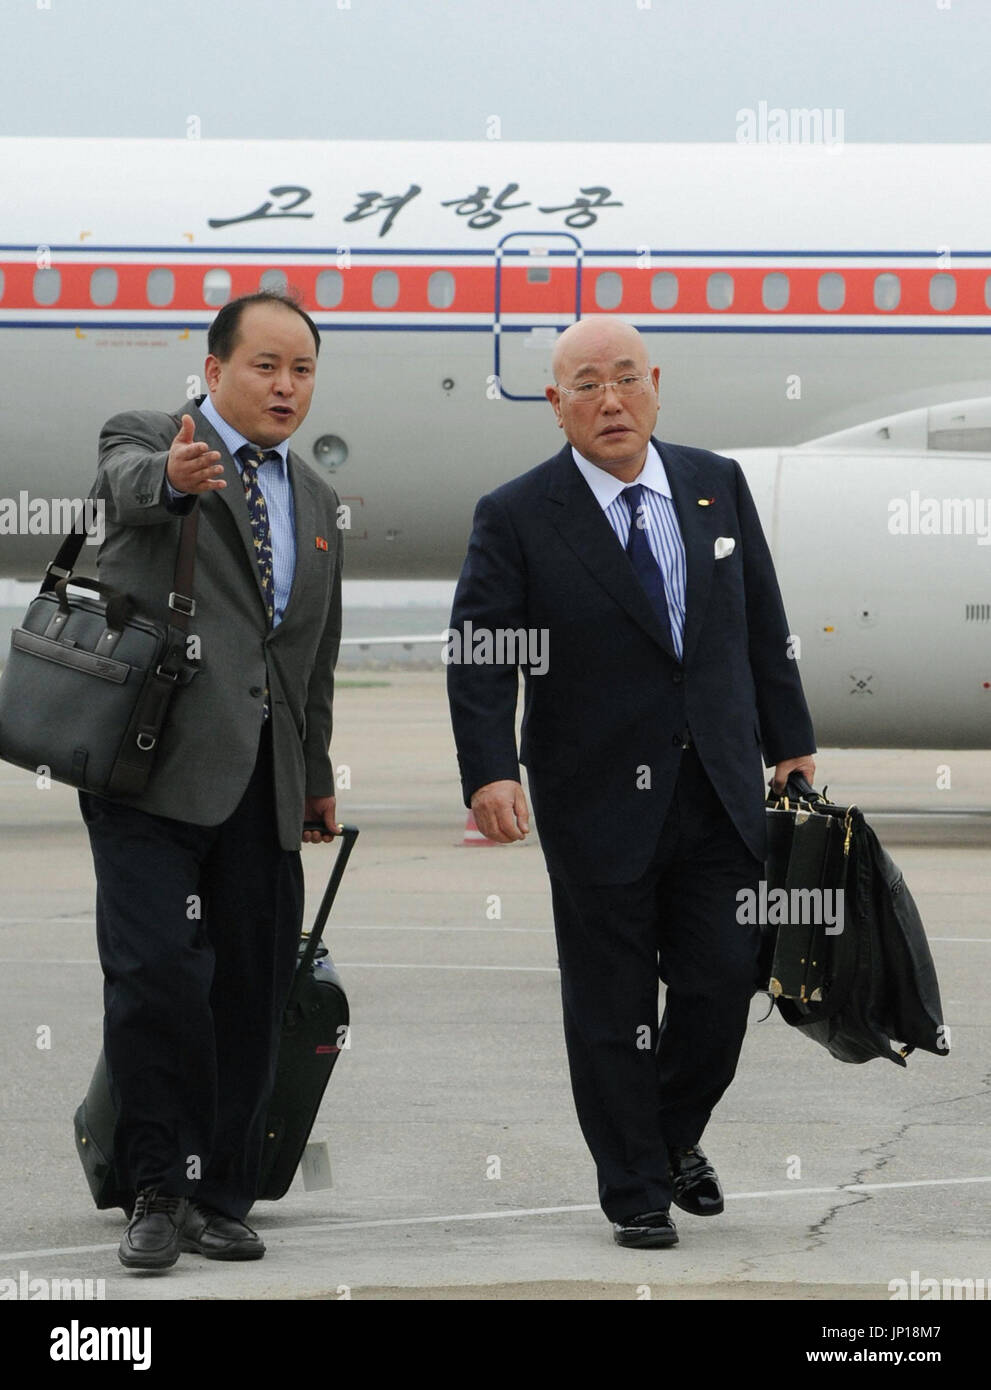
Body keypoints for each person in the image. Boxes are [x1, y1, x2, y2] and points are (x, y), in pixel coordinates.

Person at [446, 316, 816, 1248]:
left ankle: (666, 1137)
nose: (609, 400)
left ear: (654, 382)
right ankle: (636, 1191)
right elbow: (482, 656)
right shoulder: (518, 513)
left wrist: (790, 741)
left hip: (719, 793)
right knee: (610, 1007)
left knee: (723, 983)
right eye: (584, 385)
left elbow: (759, 616)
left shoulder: (713, 485)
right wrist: (489, 769)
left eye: (624, 379)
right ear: (554, 404)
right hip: (593, 797)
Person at [81, 290, 343, 1270]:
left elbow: (311, 653)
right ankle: (155, 1186)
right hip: (151, 766)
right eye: (266, 366)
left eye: (302, 370)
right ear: (216, 368)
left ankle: (219, 1191)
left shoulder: (315, 499)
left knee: (249, 988)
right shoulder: (153, 437)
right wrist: (177, 479)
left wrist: (314, 772)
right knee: (155, 977)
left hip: (264, 781)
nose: (284, 386)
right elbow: (127, 484)